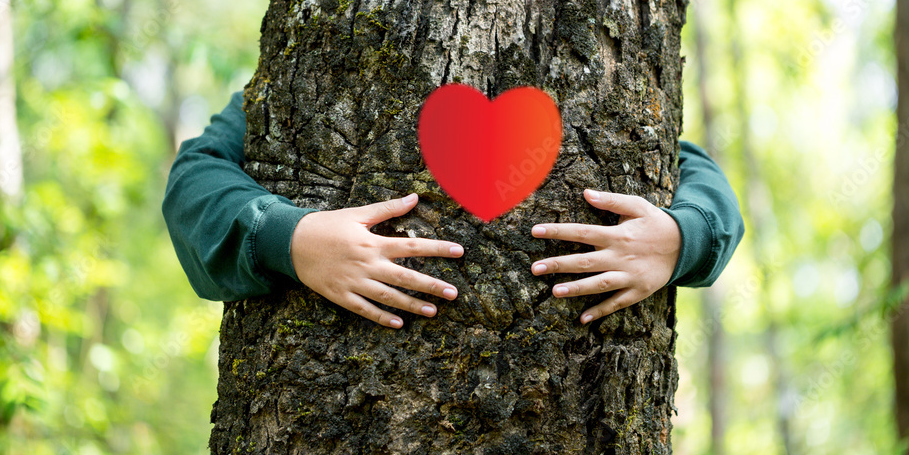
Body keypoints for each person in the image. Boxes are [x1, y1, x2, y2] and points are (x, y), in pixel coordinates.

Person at [163, 91, 744, 329]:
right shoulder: (284, 89)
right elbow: (194, 177)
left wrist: (681, 237)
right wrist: (289, 238)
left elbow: (691, 166)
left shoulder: (612, 97)